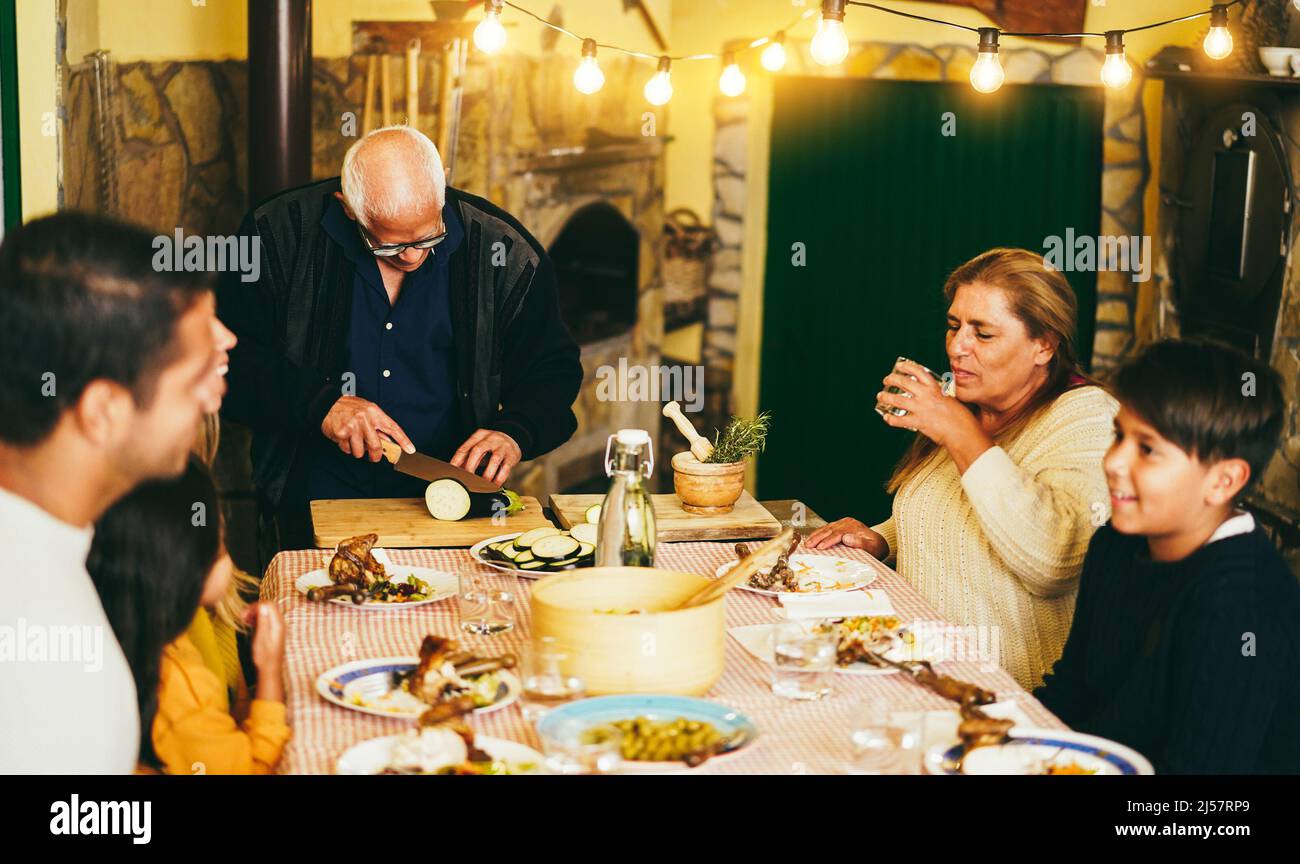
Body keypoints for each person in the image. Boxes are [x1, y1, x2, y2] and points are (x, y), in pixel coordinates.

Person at [218, 125, 583, 559]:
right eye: (389, 246)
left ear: (440, 193)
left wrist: (516, 432)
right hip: (311, 499)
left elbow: (553, 371)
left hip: (451, 507)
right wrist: (321, 405)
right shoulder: (275, 235)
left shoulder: (503, 250)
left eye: (429, 238)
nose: (412, 257)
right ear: (349, 210)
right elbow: (229, 363)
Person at [805, 248, 1117, 689]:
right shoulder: (976, 404)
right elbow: (959, 517)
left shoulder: (1084, 416)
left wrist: (959, 432)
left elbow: (1054, 560)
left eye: (983, 334)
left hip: (1005, 693)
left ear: (1044, 344)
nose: (957, 347)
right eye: (954, 326)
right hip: (922, 672)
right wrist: (883, 539)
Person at [0, 211, 235, 773]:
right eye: (194, 376)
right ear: (104, 411)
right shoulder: (48, 665)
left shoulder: (48, 544)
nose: (215, 394)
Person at [1034, 340, 1299, 773]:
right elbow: (1072, 691)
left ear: (1223, 481)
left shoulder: (1243, 608)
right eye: (1120, 435)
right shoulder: (1115, 545)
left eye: (1148, 449)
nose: (1114, 462)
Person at [88, 457, 290, 774]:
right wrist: (269, 671)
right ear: (188, 569)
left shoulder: (134, 636)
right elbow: (254, 769)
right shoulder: (179, 690)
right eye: (221, 545)